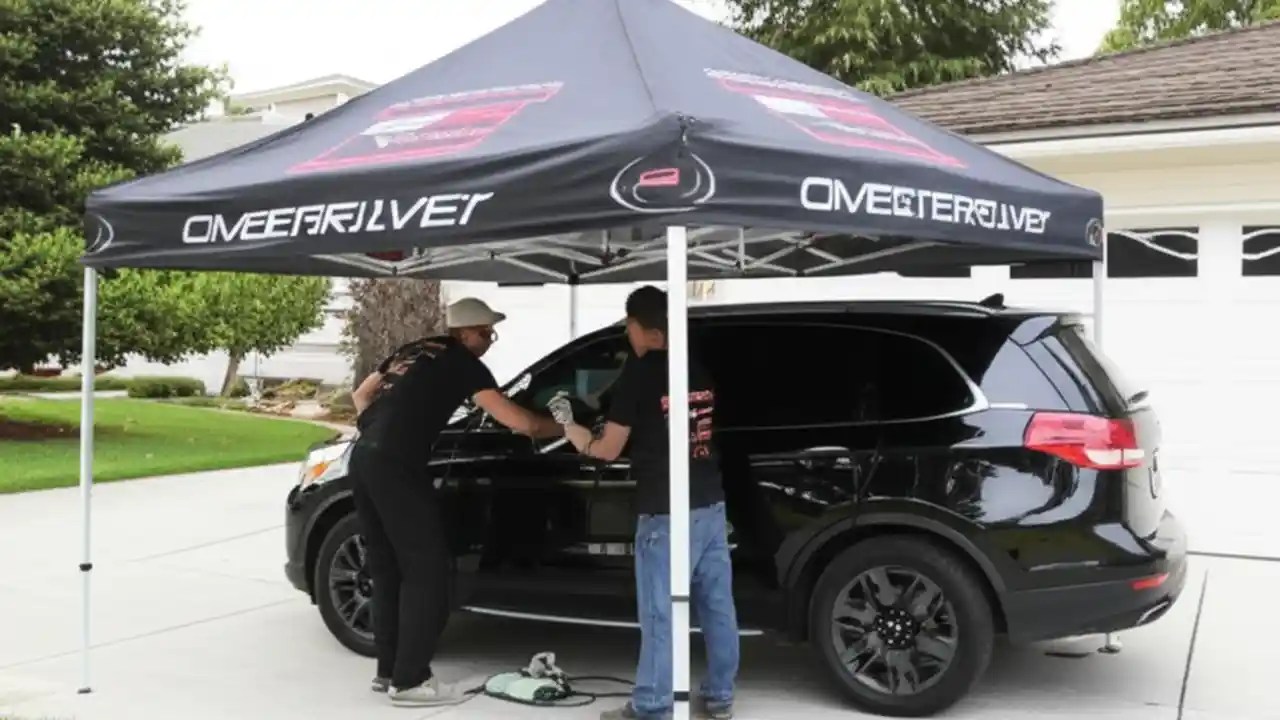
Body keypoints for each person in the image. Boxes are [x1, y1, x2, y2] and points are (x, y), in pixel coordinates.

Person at [349, 297, 563, 707]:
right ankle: (411, 683)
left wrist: (379, 426)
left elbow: (361, 395)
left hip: (363, 457)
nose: (489, 340)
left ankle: (389, 671)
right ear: (464, 333)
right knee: (427, 569)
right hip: (397, 465)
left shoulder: (415, 349)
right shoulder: (463, 362)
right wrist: (566, 428)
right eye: (485, 333)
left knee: (387, 566)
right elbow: (520, 422)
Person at [550, 286, 739, 720]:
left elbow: (607, 449)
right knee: (717, 606)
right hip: (710, 504)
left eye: (628, 325)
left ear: (642, 328)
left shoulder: (642, 373)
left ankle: (653, 705)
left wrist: (568, 426)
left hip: (666, 511)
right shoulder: (697, 367)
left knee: (660, 614)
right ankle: (720, 696)